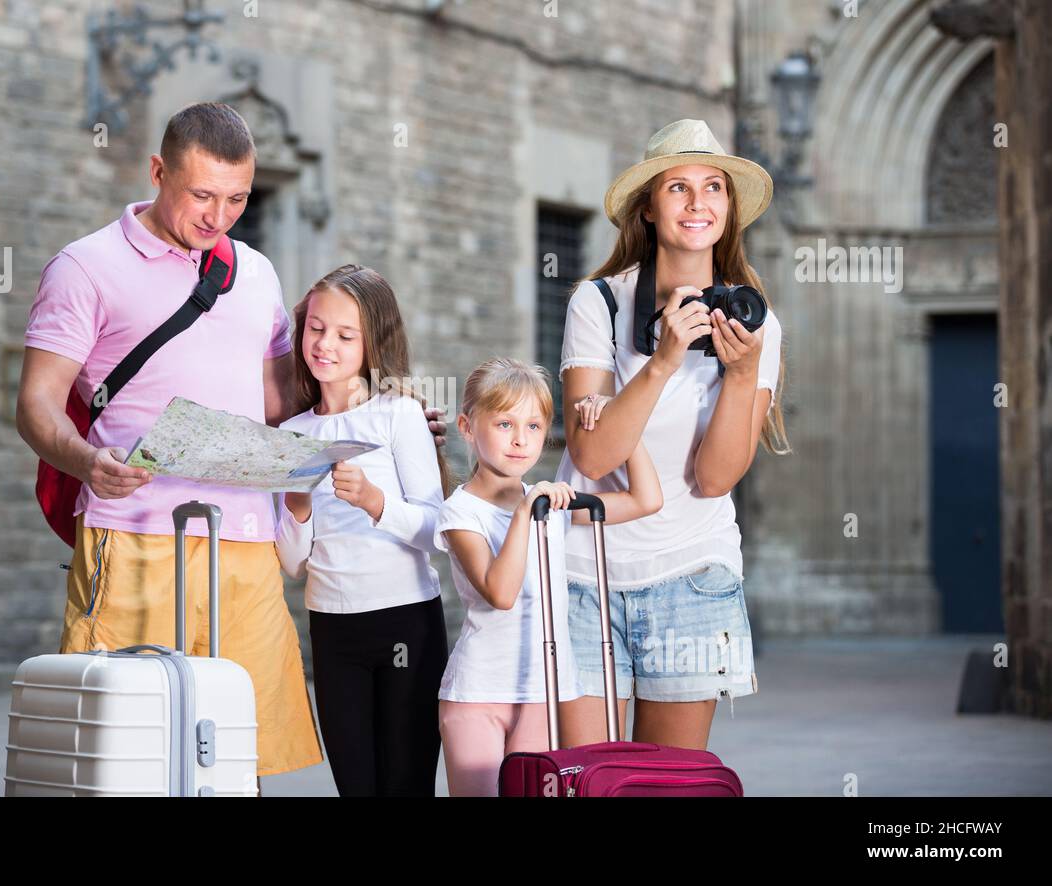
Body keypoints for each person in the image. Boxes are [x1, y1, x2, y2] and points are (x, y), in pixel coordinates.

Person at [15, 103, 446, 781]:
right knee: (128, 752)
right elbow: (37, 404)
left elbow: (282, 402)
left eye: (238, 198)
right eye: (202, 196)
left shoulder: (254, 272)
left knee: (233, 755)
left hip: (245, 545)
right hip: (133, 537)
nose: (219, 217)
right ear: (159, 172)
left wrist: (389, 415)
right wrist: (84, 460)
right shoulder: (85, 267)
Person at [556, 118, 791, 751]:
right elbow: (592, 453)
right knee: (587, 786)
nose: (698, 203)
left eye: (714, 187)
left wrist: (741, 375)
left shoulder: (754, 324)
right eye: (678, 187)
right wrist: (661, 362)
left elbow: (714, 479)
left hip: (694, 574)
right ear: (649, 209)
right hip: (585, 578)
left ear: (729, 208)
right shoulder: (598, 303)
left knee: (668, 787)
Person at [433, 358, 661, 796]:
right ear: (467, 425)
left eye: (534, 427)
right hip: (478, 692)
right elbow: (499, 591)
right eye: (504, 424)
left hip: (544, 688)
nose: (520, 440)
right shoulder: (461, 511)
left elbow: (646, 499)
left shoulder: (549, 504)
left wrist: (619, 420)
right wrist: (527, 511)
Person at [274, 265, 453, 796]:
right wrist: (299, 504)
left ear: (373, 343)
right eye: (316, 328)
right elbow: (291, 564)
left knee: (406, 784)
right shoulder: (291, 432)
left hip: (407, 622)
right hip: (332, 629)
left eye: (345, 335)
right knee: (355, 786)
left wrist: (376, 503)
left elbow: (436, 531)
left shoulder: (399, 416)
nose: (325, 344)